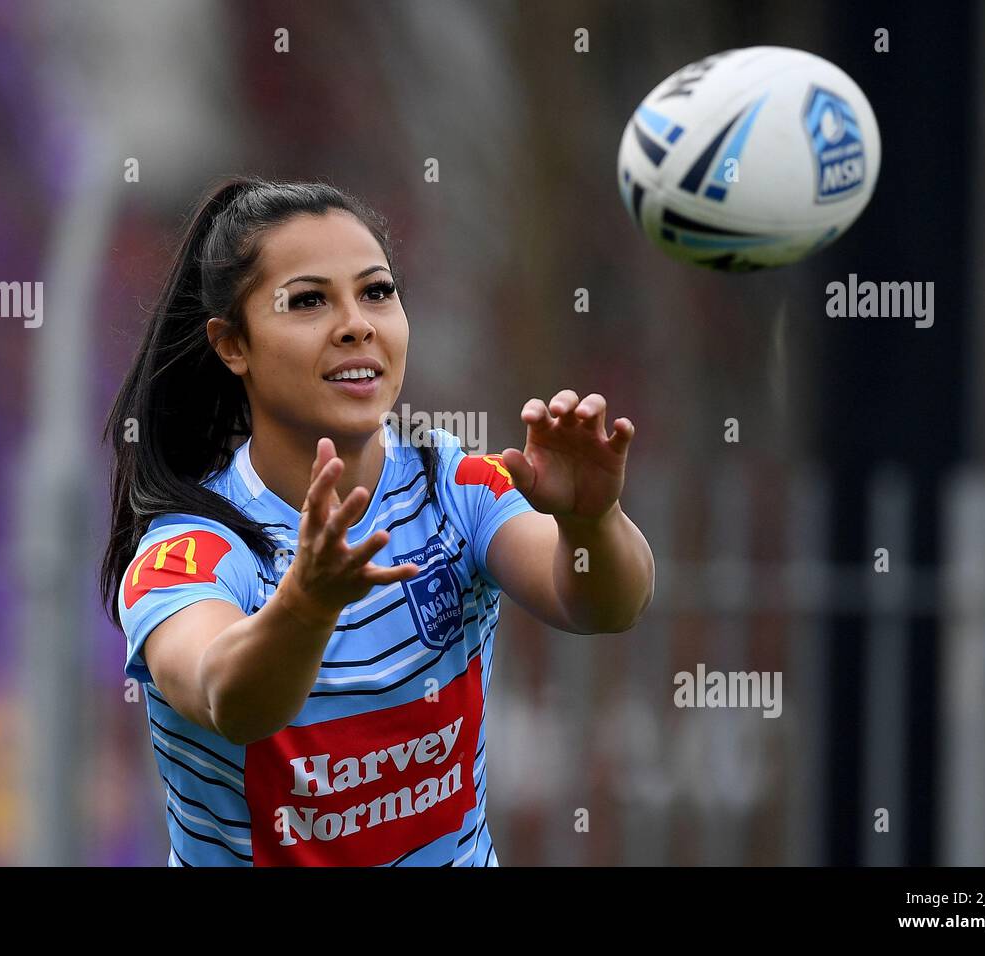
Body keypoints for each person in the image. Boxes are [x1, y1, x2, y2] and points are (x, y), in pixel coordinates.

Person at [100, 176, 655, 866]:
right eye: (308, 301)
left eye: (377, 292)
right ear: (232, 344)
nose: (357, 323)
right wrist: (306, 605)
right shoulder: (192, 548)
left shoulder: (450, 483)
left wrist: (592, 523)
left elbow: (605, 604)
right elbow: (231, 698)